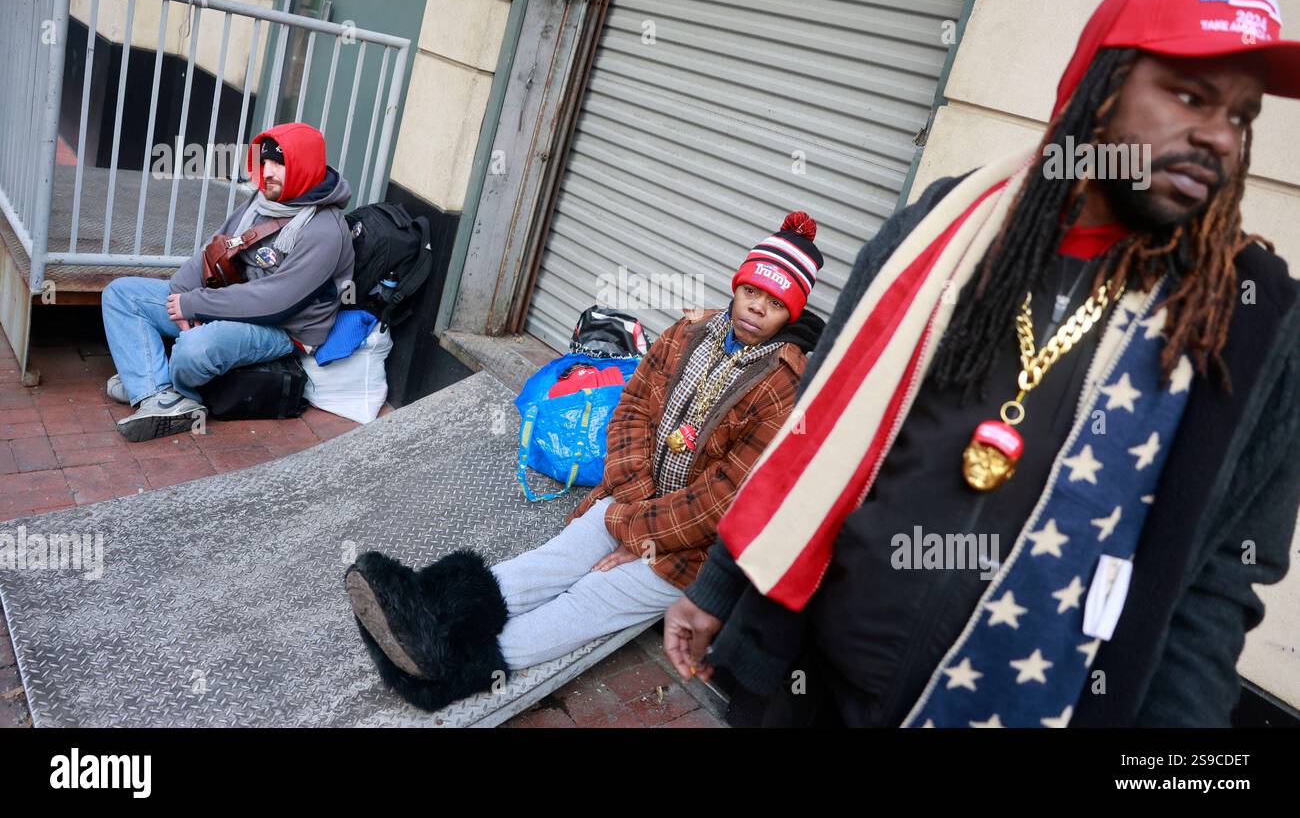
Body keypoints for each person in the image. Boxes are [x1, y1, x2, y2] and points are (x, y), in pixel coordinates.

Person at [664, 0, 1300, 728]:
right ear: (1096, 89)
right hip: (812, 688)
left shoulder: (1252, 321)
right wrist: (720, 587)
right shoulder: (947, 226)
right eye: (1189, 95)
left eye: (1241, 116)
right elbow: (817, 417)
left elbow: (1223, 581)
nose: (1218, 138)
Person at [344, 212, 827, 711]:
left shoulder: (781, 389)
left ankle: (448, 672)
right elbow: (632, 411)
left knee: (586, 603)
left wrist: (634, 531)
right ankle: (423, 606)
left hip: (689, 553)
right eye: (753, 292)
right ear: (739, 284)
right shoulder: (690, 332)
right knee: (552, 563)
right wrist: (631, 507)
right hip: (631, 497)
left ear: (790, 314)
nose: (757, 310)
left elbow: (723, 503)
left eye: (774, 304)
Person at [101, 122, 355, 442]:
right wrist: (181, 296)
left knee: (193, 349)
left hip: (283, 330)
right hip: (232, 305)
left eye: (280, 164)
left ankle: (153, 380)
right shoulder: (263, 201)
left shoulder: (325, 229)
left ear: (305, 167)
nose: (269, 171)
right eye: (265, 162)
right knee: (121, 295)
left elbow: (275, 302)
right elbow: (214, 249)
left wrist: (196, 304)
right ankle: (155, 391)